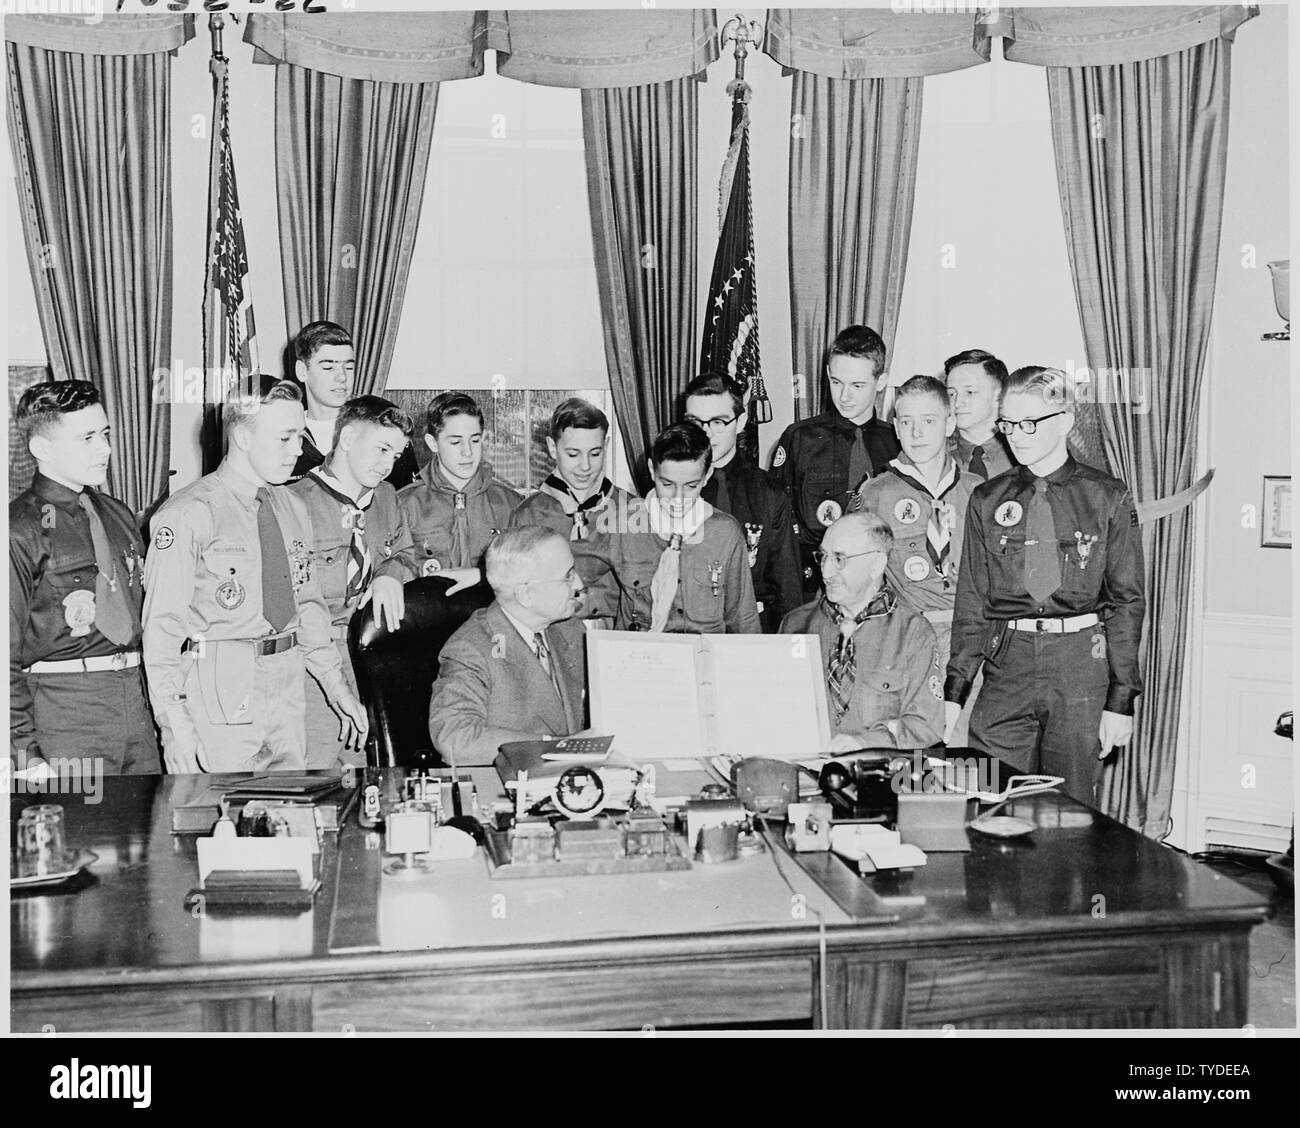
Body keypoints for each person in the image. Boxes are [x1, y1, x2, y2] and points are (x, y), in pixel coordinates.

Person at [143, 377, 368, 773]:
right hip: (220, 686)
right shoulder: (188, 514)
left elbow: (309, 607)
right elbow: (161, 633)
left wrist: (337, 688)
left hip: (287, 683)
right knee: (225, 817)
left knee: (288, 815)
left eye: (300, 435)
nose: (298, 450)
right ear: (243, 437)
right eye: (285, 438)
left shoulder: (293, 507)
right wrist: (174, 727)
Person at [944, 366, 1145, 806]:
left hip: (1078, 669)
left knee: (1069, 811)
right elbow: (973, 601)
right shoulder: (987, 500)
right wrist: (954, 691)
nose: (1016, 435)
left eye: (1030, 422)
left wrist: (1120, 700)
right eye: (1009, 423)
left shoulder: (1106, 497)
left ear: (1067, 421)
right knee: (991, 802)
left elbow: (1127, 601)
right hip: (1007, 666)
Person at [10, 380, 160, 776]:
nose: (106, 449)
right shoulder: (19, 529)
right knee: (80, 835)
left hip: (135, 705)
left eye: (106, 434)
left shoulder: (118, 515)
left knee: (148, 834)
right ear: (41, 448)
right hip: (65, 716)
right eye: (88, 437)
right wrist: (23, 754)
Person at [289, 395, 419, 769]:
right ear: (346, 438)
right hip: (316, 662)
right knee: (319, 769)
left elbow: (404, 554)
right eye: (381, 449)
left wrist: (389, 576)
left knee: (369, 770)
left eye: (395, 456)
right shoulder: (297, 501)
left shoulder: (388, 499)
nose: (387, 465)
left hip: (374, 659)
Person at [855, 375, 982, 744]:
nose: (917, 432)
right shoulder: (876, 494)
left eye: (929, 420)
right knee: (908, 754)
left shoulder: (978, 492)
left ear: (950, 422)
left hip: (965, 642)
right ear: (895, 426)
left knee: (962, 755)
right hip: (906, 641)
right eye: (906, 421)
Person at [781, 512, 944, 752]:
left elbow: (927, 724)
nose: (826, 572)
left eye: (839, 559)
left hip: (878, 775)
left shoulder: (913, 634)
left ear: (876, 564)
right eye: (823, 557)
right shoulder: (796, 626)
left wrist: (865, 742)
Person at [427, 526, 589, 766]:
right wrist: (559, 747)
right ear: (526, 595)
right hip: (509, 788)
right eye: (568, 575)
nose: (579, 584)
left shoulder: (569, 630)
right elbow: (454, 738)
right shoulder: (471, 648)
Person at [581, 422, 760, 634]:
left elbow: (743, 619)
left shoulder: (725, 533)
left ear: (708, 475)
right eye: (667, 484)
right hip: (639, 658)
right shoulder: (621, 524)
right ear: (651, 470)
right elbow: (572, 582)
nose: (678, 498)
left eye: (691, 486)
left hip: (703, 657)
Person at [771, 325, 900, 599]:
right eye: (836, 382)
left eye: (857, 385)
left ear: (881, 381)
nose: (844, 397)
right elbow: (779, 529)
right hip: (815, 586)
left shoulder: (897, 443)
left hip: (881, 589)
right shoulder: (800, 439)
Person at [683, 373, 801, 632]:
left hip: (752, 635)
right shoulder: (670, 493)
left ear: (741, 422)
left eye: (717, 422)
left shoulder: (769, 493)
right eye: (695, 422)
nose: (705, 433)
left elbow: (787, 591)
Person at [507, 397, 636, 622]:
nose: (585, 466)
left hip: (615, 636)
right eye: (573, 454)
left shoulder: (632, 511)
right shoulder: (528, 515)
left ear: (605, 446)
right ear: (552, 448)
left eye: (595, 453)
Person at [397, 392, 520, 594]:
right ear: (432, 443)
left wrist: (482, 575)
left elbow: (531, 573)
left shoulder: (511, 504)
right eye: (455, 442)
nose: (467, 452)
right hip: (430, 620)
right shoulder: (405, 505)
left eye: (475, 440)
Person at [289, 320, 420, 489]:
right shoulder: (285, 436)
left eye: (349, 368)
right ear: (302, 371)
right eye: (328, 367)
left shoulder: (385, 427)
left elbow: (408, 497)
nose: (342, 377)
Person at [943, 348, 1015, 480]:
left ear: (999, 396)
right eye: (951, 394)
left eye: (970, 392)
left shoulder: (1021, 457)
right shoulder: (939, 462)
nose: (957, 403)